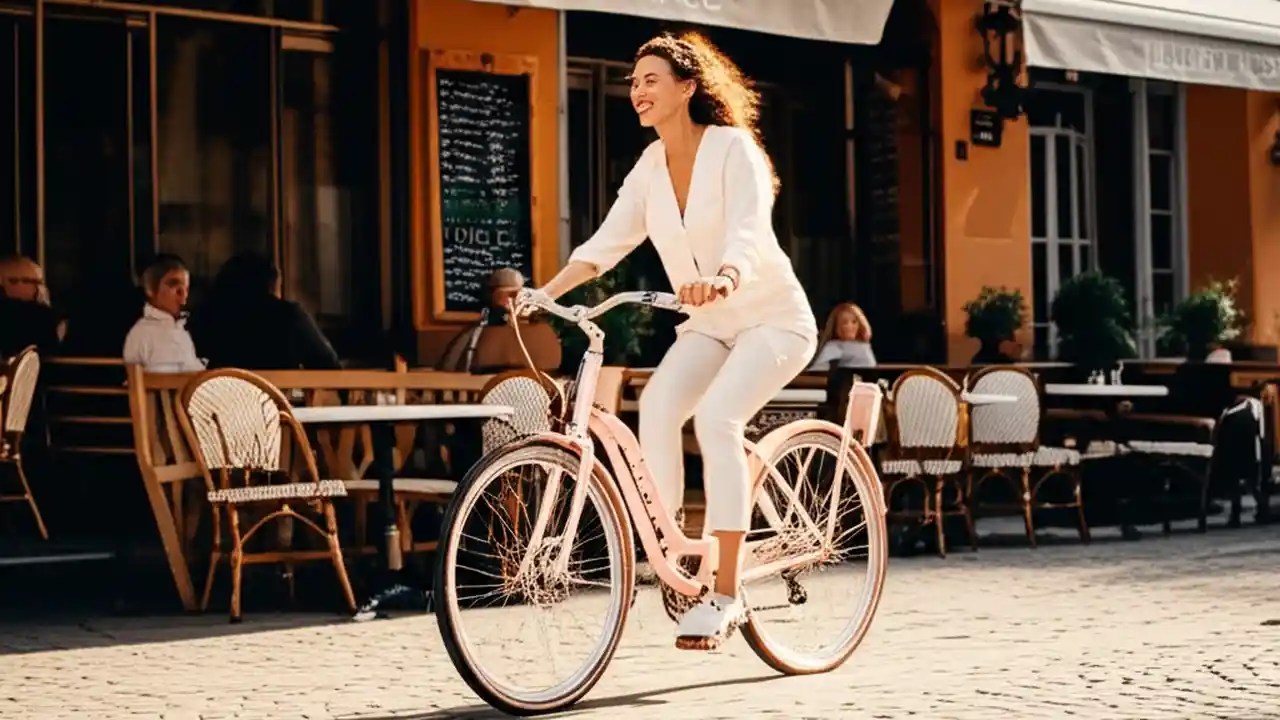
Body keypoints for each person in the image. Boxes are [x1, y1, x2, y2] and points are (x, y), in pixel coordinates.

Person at [529, 31, 817, 650]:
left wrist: (726, 276)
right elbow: (606, 244)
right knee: (657, 407)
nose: (637, 91)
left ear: (688, 88)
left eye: (650, 80)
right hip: (711, 326)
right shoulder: (649, 169)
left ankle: (727, 592)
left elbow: (747, 225)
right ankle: (678, 554)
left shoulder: (732, 149)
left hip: (772, 318)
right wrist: (546, 292)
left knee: (717, 420)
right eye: (633, 82)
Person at [187, 252, 341, 370]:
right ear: (272, 285)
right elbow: (327, 364)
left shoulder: (204, 316)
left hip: (216, 406)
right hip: (277, 406)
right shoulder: (288, 315)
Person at [122, 256, 205, 372]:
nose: (183, 297)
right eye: (175, 288)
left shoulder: (183, 332)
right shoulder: (140, 334)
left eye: (186, 289)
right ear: (150, 289)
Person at [808, 302, 877, 371]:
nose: (850, 327)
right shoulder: (833, 347)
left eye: (854, 322)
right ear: (836, 326)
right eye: (845, 323)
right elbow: (817, 371)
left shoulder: (864, 346)